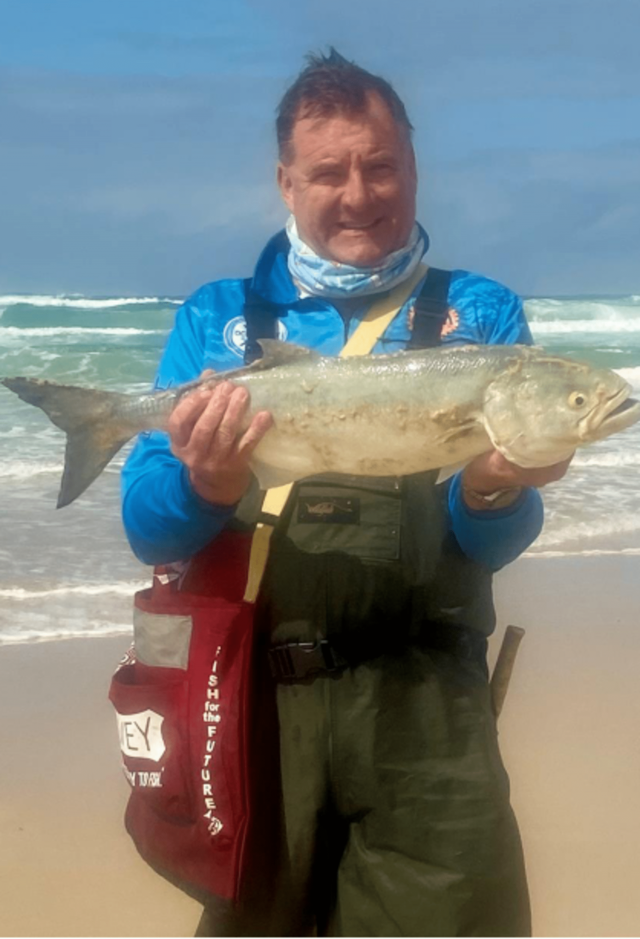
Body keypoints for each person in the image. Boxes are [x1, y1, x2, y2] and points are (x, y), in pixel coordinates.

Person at [122, 49, 570, 937]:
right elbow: (147, 523)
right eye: (329, 171)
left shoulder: (479, 317)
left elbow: (487, 543)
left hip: (426, 704)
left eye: (381, 165)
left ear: (413, 167)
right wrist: (207, 480)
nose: (359, 194)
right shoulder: (220, 319)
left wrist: (491, 489)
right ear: (286, 182)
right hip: (255, 701)